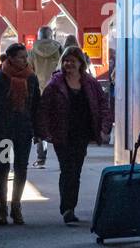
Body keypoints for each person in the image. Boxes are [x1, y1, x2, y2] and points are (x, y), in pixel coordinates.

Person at [38, 45, 110, 224]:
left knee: (75, 170)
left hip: (82, 133)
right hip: (62, 133)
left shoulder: (90, 83)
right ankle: (67, 208)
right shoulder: (55, 83)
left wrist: (105, 128)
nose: (68, 64)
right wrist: (44, 132)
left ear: (80, 63)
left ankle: (70, 207)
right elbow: (44, 108)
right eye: (66, 60)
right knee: (67, 169)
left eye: (72, 61)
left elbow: (103, 105)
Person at [0, 41, 40, 225]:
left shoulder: (31, 78)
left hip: (23, 131)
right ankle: (2, 209)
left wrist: (37, 130)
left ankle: (16, 207)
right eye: (21, 57)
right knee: (3, 168)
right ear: (10, 58)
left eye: (25, 57)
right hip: (5, 131)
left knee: (21, 168)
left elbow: (36, 105)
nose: (25, 60)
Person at [29, 26, 62, 165]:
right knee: (59, 123)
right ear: (51, 35)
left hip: (39, 91)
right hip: (56, 90)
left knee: (40, 123)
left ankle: (41, 157)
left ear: (39, 36)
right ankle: (62, 158)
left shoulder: (32, 52)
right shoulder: (59, 49)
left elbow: (30, 71)